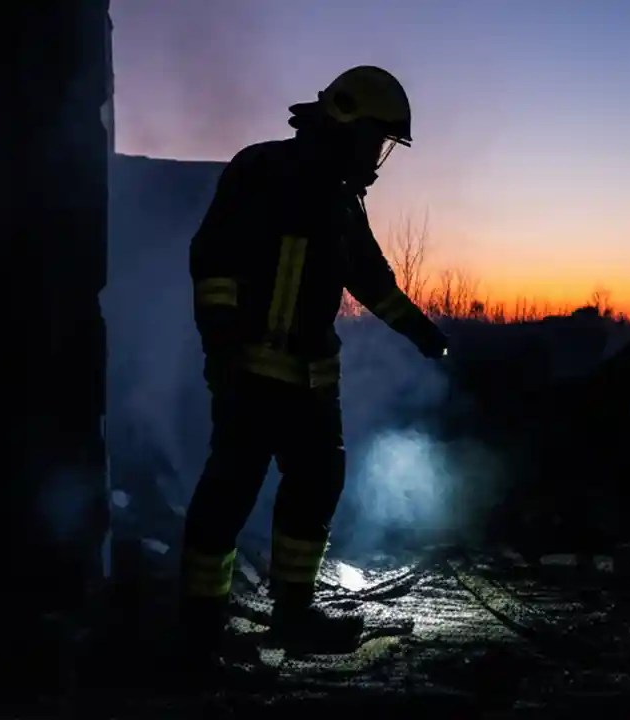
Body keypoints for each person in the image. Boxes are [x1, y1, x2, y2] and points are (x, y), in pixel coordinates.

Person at [179, 66, 448, 663]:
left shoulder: (342, 201)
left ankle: (292, 618)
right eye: (375, 138)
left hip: (310, 384)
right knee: (228, 494)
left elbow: (374, 285)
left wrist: (427, 336)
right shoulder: (262, 170)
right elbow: (213, 262)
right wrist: (221, 347)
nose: (376, 155)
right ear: (346, 121)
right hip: (251, 373)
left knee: (316, 489)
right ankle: (198, 631)